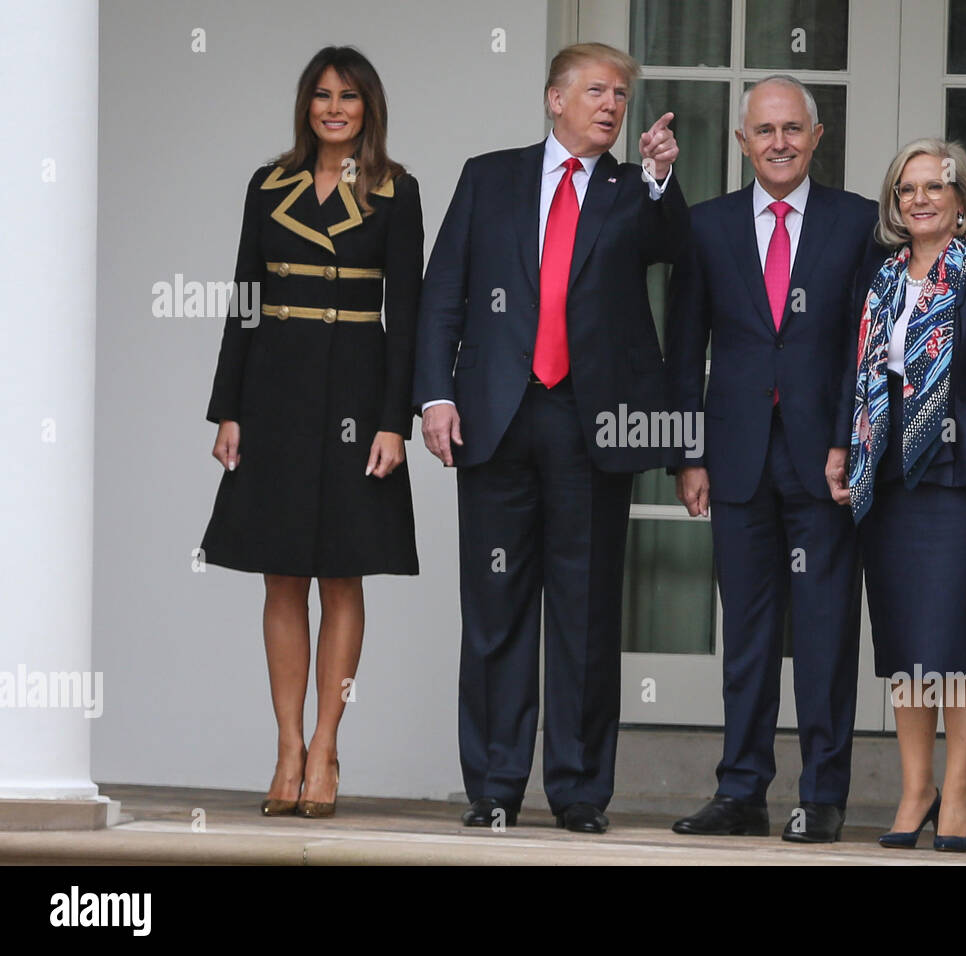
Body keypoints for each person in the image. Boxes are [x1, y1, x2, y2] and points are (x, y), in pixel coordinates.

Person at [412, 43, 686, 834]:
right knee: (495, 610)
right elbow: (443, 297)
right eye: (597, 90)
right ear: (554, 99)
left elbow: (672, 248)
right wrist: (434, 396)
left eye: (622, 95)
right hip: (496, 419)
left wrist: (663, 176)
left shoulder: (636, 191)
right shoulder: (489, 176)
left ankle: (577, 792)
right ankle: (495, 785)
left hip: (592, 425)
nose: (612, 105)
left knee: (587, 613)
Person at [201, 46, 422, 819]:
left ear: (369, 107)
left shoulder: (397, 191)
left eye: (349, 96)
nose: (334, 108)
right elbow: (245, 300)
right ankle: (287, 745)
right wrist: (229, 407)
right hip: (276, 394)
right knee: (280, 574)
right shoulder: (270, 185)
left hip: (359, 393)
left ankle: (327, 745)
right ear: (307, 105)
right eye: (322, 95)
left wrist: (396, 420)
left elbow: (409, 318)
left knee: (344, 572)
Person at [665, 76, 880, 843]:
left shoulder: (858, 223)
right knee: (748, 634)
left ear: (817, 138)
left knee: (824, 632)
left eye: (793, 129)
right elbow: (685, 347)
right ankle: (742, 790)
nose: (780, 142)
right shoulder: (707, 225)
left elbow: (868, 344)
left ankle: (822, 794)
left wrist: (851, 441)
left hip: (824, 460)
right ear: (742, 142)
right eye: (765, 130)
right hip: (735, 459)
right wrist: (687, 454)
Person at [842, 138, 966, 851]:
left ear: (962, 201)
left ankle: (957, 792)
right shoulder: (880, 278)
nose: (919, 199)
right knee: (906, 643)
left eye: (934, 187)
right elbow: (859, 375)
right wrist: (845, 449)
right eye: (906, 190)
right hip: (890, 479)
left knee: (962, 643)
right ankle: (914, 788)